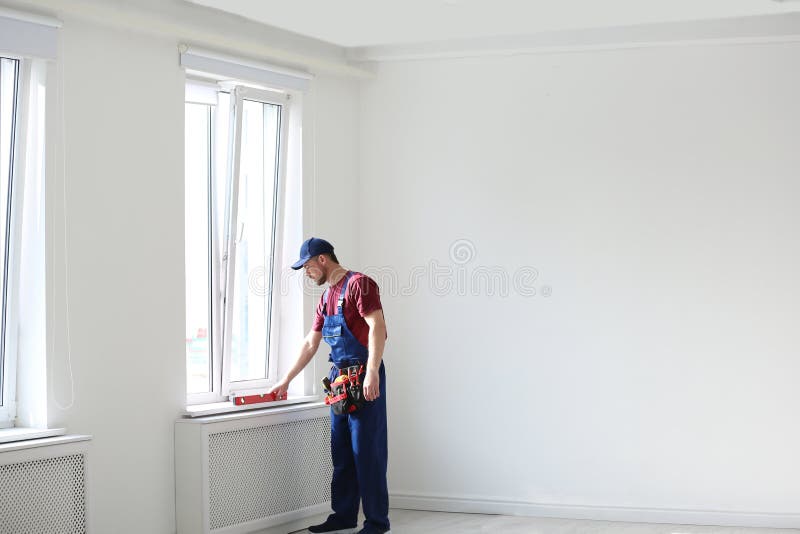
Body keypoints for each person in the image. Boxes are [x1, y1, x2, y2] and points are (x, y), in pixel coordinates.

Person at [270, 237, 390, 534]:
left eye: (307, 266)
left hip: (363, 375)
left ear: (322, 259)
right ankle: (344, 516)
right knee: (342, 451)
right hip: (339, 380)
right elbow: (311, 343)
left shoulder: (359, 285)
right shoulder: (326, 298)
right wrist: (286, 380)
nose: (306, 273)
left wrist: (372, 371)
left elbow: (378, 327)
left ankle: (376, 522)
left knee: (367, 452)